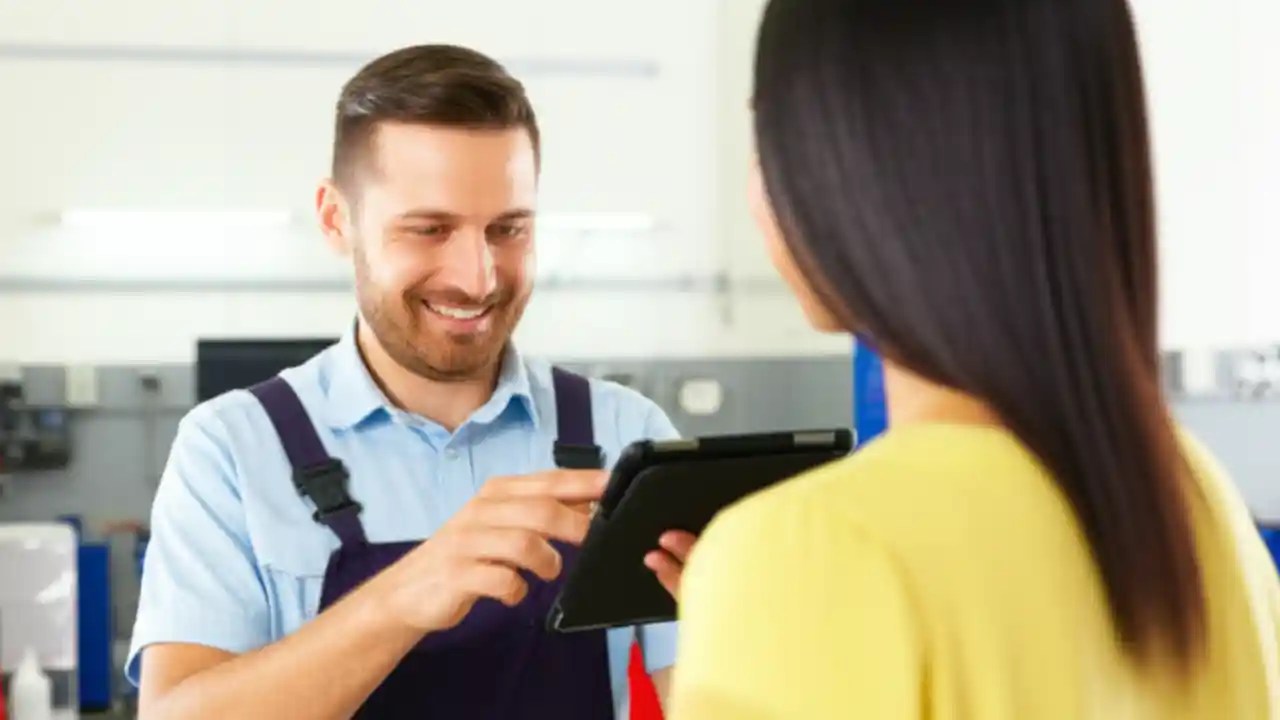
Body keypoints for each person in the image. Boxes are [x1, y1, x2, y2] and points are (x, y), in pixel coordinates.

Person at [670, 0, 1280, 718]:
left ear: (850, 160)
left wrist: (761, 617)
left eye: (768, 133)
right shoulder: (1195, 495)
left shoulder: (811, 549)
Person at [128, 44, 697, 719]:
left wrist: (746, 619)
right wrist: (404, 596)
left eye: (508, 229)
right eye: (430, 229)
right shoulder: (230, 449)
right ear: (337, 219)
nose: (477, 276)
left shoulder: (625, 436)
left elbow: (701, 698)